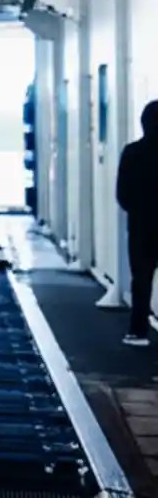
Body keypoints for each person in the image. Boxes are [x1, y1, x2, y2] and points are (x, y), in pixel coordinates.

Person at [117, 100, 158, 347]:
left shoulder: (132, 152)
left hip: (142, 227)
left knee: (141, 280)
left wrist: (138, 210)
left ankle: (138, 331)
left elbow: (122, 194)